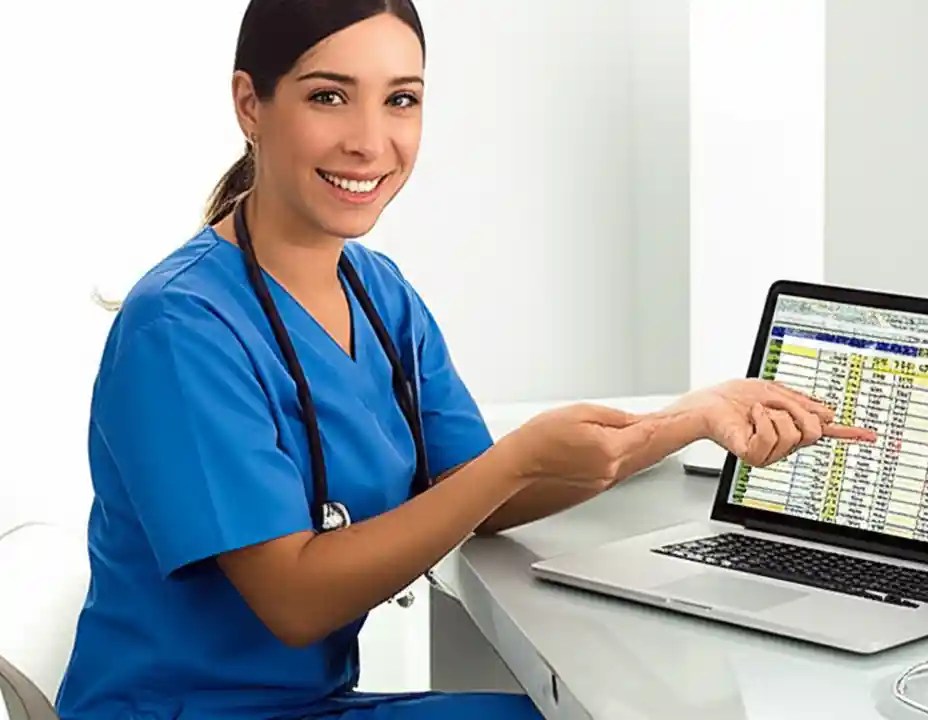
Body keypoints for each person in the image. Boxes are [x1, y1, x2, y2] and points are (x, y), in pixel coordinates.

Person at [54, 2, 876, 719]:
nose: (370, 141)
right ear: (250, 104)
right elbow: (297, 599)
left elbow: (480, 491)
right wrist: (517, 459)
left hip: (316, 705)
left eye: (401, 101)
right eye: (328, 96)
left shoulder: (378, 294)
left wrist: (692, 419)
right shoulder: (182, 326)